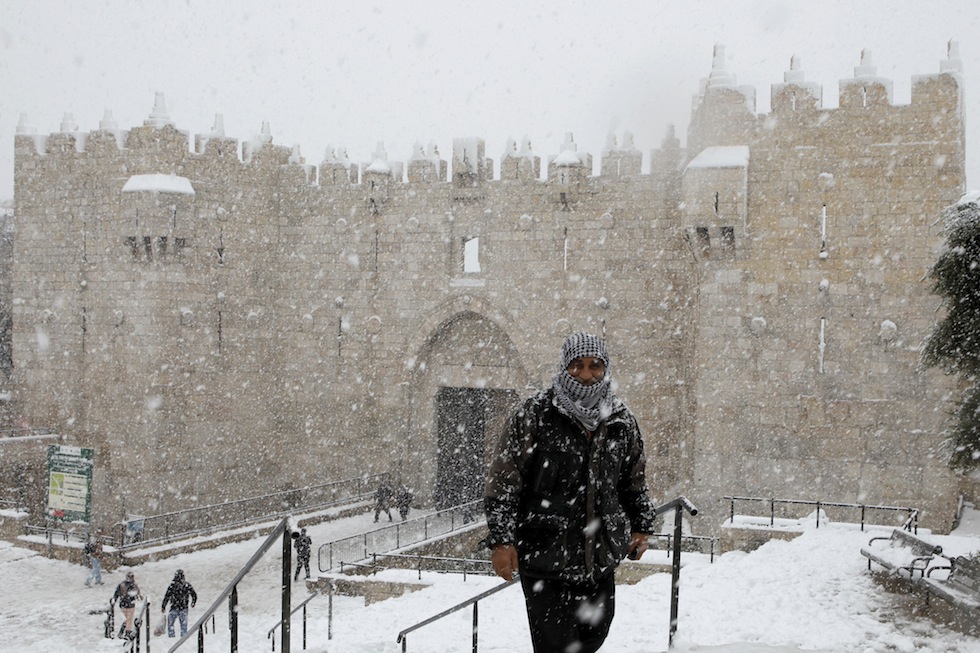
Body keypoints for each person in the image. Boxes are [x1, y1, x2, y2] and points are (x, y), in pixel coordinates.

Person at [485, 332, 658, 653]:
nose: (586, 374)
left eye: (595, 366)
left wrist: (641, 526)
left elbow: (633, 479)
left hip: (599, 558)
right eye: (576, 365)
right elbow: (504, 482)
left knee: (594, 636)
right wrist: (501, 540)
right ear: (565, 367)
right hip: (546, 557)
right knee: (556, 647)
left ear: (605, 369)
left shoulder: (621, 420)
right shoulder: (534, 415)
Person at [160, 569, 197, 638]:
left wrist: (163, 606)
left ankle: (171, 636)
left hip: (174, 607)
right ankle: (183, 638)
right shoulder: (186, 585)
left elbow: (167, 596)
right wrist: (193, 602)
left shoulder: (172, 586)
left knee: (170, 624)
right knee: (183, 625)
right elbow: (194, 594)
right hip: (183, 607)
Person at [113, 571, 143, 639]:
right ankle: (126, 632)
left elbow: (117, 593)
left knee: (128, 619)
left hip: (124, 604)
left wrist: (114, 600)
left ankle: (124, 631)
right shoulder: (133, 585)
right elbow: (136, 594)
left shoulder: (122, 585)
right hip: (129, 604)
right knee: (129, 619)